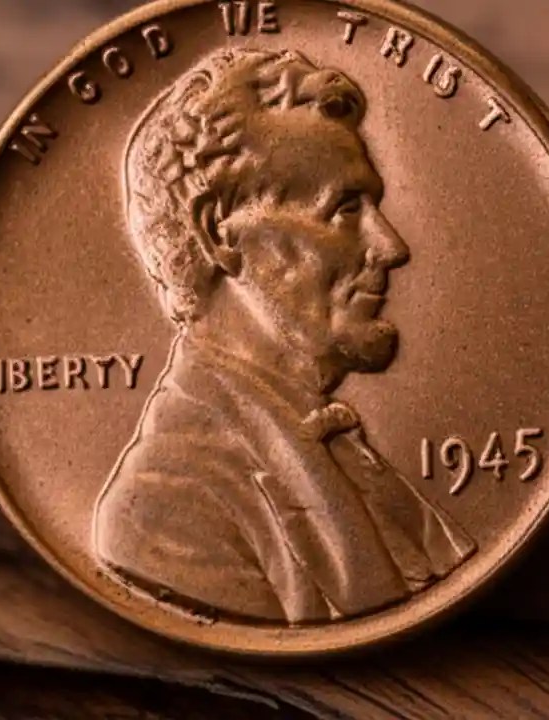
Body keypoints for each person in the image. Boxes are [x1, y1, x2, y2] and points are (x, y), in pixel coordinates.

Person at [93, 48, 476, 624]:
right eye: (343, 210)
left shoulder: (338, 446)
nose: (392, 247)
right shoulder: (164, 513)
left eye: (372, 206)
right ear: (219, 233)